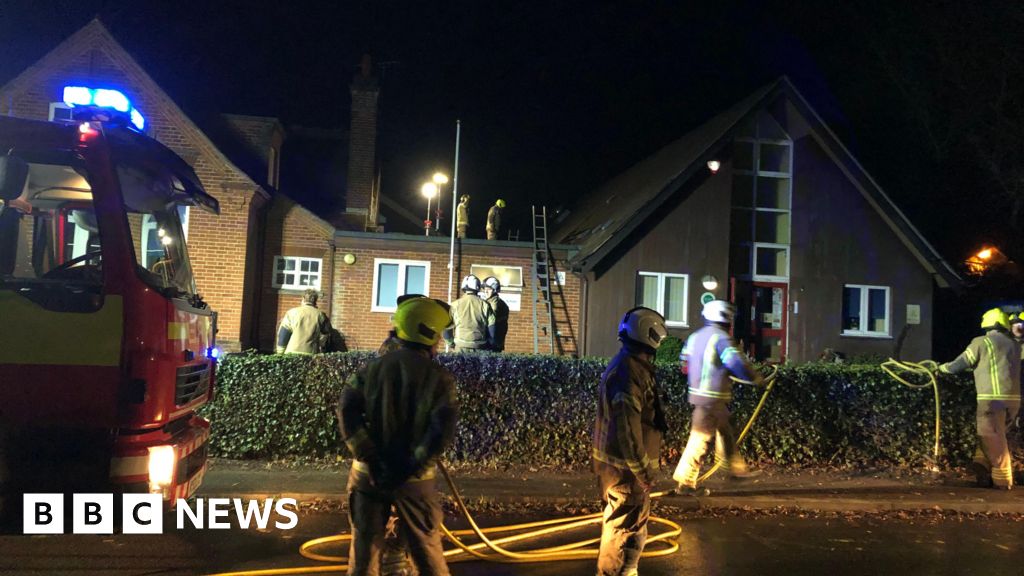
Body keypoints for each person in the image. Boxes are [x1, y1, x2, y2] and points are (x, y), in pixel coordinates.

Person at [337, 296, 457, 575]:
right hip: (415, 483)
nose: (439, 342)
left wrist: (372, 458)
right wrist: (408, 466)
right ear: (429, 334)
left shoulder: (371, 370)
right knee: (427, 554)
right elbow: (440, 431)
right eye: (437, 336)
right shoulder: (438, 378)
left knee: (364, 554)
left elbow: (347, 411)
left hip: (367, 476)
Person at [592, 307, 669, 576]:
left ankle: (627, 570)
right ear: (651, 335)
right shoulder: (630, 373)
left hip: (619, 467)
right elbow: (628, 428)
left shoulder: (630, 365)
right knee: (623, 529)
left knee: (627, 526)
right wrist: (643, 471)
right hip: (626, 470)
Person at [673, 300, 764, 493]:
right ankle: (685, 483)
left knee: (726, 429)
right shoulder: (722, 339)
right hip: (711, 398)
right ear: (726, 318)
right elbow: (737, 364)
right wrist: (756, 379)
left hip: (700, 396)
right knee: (700, 438)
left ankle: (734, 470)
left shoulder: (695, 337)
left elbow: (685, 366)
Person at [937, 308, 1021, 489]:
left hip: (991, 400)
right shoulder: (1014, 344)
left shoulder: (982, 342)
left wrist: (941, 368)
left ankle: (1003, 480)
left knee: (990, 436)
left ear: (987, 325)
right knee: (997, 436)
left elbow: (960, 363)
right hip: (1013, 401)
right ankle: (981, 465)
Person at [444, 275, 495, 351]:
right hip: (480, 347)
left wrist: (451, 344)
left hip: (460, 346)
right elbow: (492, 328)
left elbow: (446, 329)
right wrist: (490, 344)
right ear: (477, 287)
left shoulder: (454, 305)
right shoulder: (485, 305)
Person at [276, 288, 332, 354]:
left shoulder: (292, 313)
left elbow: (284, 333)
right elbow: (326, 333)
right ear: (315, 301)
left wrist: (280, 352)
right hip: (311, 354)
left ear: (303, 298)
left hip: (291, 353)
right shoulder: (321, 315)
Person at [481, 276, 509, 352]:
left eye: (489, 289)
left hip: (491, 343)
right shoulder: (500, 303)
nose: (486, 292)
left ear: (495, 290)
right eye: (485, 289)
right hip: (496, 343)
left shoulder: (494, 302)